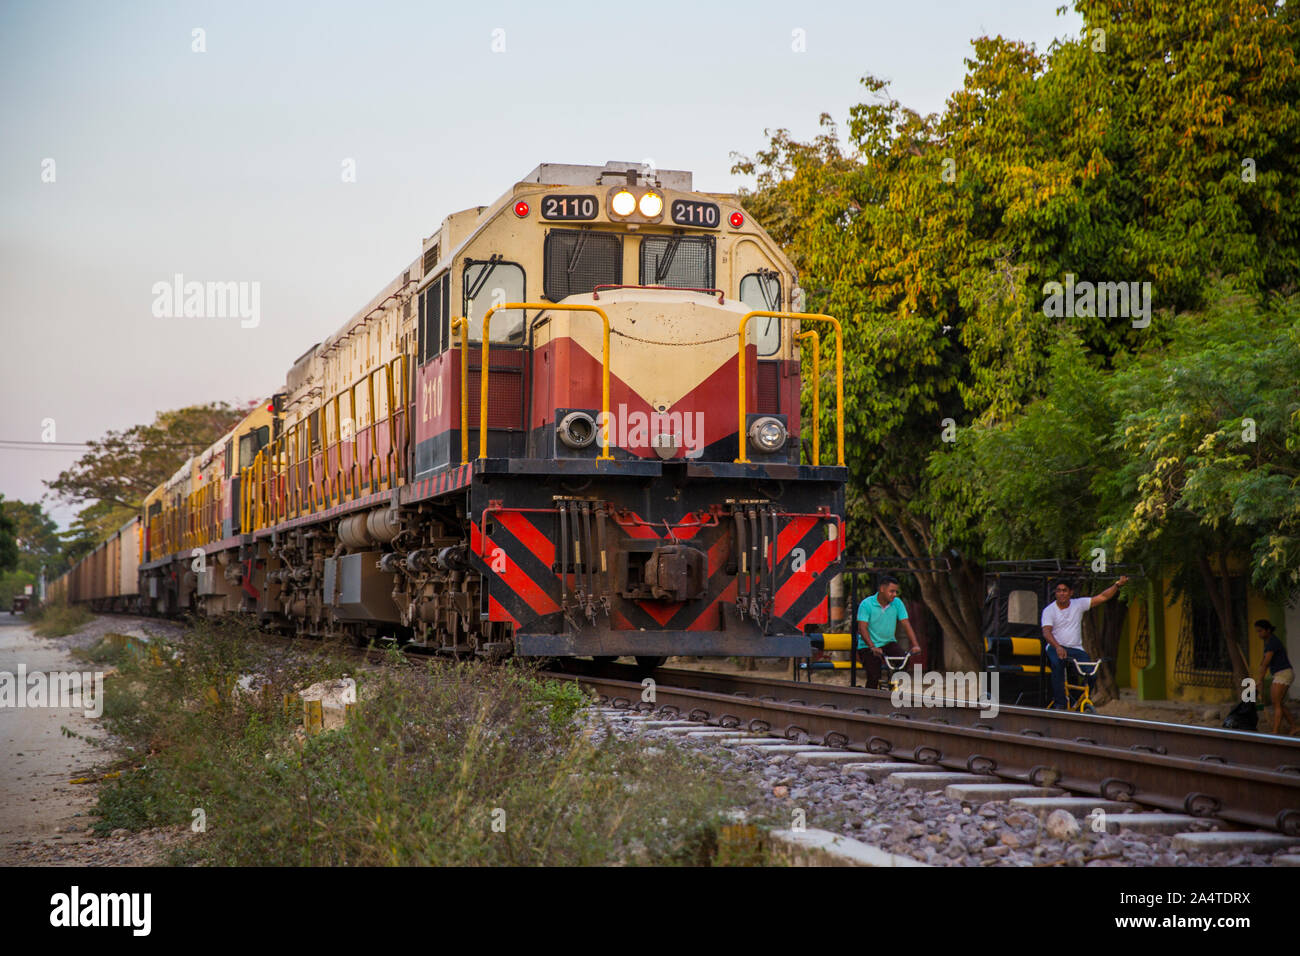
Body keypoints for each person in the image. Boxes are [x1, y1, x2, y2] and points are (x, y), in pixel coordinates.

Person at [1040, 576, 1127, 710]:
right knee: (1057, 666)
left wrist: (1117, 585)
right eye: (1058, 591)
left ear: (1071, 593)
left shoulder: (1078, 604)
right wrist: (1057, 647)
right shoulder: (1049, 610)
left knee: (1091, 674)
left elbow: (1103, 597)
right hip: (1055, 647)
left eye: (1064, 590)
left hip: (1076, 648)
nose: (1061, 593)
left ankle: (1078, 699)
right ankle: (1060, 704)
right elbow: (1046, 632)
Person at [857, 575, 921, 687]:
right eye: (892, 591)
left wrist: (915, 645)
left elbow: (906, 624)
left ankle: (891, 685)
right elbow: (862, 628)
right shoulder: (867, 604)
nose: (895, 594)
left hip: (888, 643)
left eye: (896, 591)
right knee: (874, 675)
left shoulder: (897, 603)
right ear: (882, 589)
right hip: (868, 646)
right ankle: (869, 700)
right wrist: (872, 646)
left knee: (903, 661)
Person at [1254, 619, 1296, 735]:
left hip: (1283, 673)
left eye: (1260, 631)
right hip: (1279, 674)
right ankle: (1294, 727)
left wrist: (1260, 680)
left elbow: (1266, 662)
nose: (1259, 634)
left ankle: (1275, 731)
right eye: (1257, 632)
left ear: (1268, 630)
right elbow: (1263, 663)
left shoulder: (1272, 642)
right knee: (1278, 703)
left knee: (1276, 703)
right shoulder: (1268, 642)